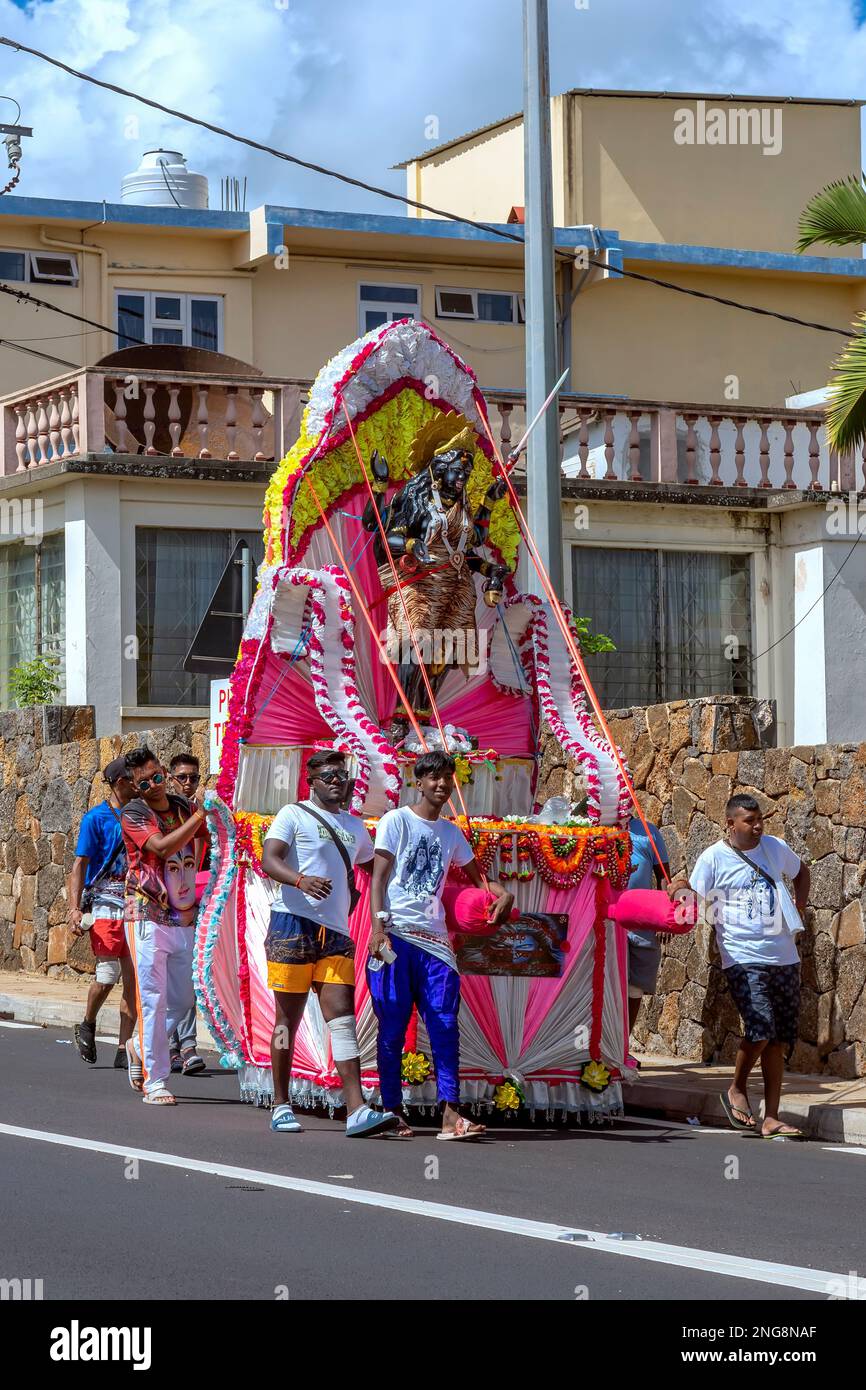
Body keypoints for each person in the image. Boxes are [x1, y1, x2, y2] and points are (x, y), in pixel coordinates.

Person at [368, 749, 514, 1140]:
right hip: (395, 937)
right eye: (434, 778)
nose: (441, 784)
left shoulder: (451, 832)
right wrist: (378, 928)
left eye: (448, 778)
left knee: (446, 1026)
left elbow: (478, 877)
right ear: (419, 782)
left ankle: (451, 1116)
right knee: (393, 1028)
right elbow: (378, 880)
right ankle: (392, 1110)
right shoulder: (396, 821)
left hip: (434, 944)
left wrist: (502, 893)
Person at [260, 749, 398, 1138]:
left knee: (342, 1017)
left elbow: (376, 870)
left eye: (341, 774)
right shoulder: (293, 814)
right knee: (288, 1017)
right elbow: (269, 859)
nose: (337, 780)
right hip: (293, 925)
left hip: (335, 933)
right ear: (312, 782)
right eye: (328, 776)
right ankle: (281, 1104)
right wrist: (301, 880)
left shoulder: (356, 827)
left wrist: (379, 917)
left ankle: (356, 1109)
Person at [684, 793, 810, 1140]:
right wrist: (678, 891)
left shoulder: (773, 847)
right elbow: (693, 899)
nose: (757, 827)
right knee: (760, 1027)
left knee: (777, 1040)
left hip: (784, 955)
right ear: (730, 824)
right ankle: (737, 1088)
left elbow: (802, 873)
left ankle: (771, 1117)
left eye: (759, 821)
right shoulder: (713, 858)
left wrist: (799, 908)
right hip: (742, 955)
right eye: (749, 821)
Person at [121, 747, 211, 1106]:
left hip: (182, 912)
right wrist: (199, 815)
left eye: (158, 777)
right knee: (153, 999)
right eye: (145, 783)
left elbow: (206, 833)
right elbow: (160, 847)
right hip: (144, 913)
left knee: (185, 997)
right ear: (134, 785)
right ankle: (155, 1081)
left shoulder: (181, 806)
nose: (155, 786)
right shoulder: (135, 812)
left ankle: (139, 1045)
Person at [68, 757, 137, 1069]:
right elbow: (79, 865)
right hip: (106, 902)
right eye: (134, 779)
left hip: (138, 903)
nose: (140, 784)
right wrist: (73, 908)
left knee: (135, 980)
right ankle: (88, 1022)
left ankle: (124, 1047)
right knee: (108, 976)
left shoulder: (144, 816)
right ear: (120, 782)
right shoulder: (95, 819)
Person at [165, 753, 206, 1076]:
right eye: (182, 777)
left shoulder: (202, 813)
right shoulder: (159, 814)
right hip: (164, 906)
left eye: (193, 777)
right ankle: (170, 1047)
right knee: (168, 978)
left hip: (196, 901)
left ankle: (188, 1045)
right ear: (170, 777)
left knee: (188, 974)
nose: (188, 783)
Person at [624, 814, 670, 1041]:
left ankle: (622, 1048)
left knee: (634, 988)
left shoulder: (648, 831)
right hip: (604, 922)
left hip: (639, 924)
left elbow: (663, 876)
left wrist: (663, 915)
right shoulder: (591, 826)